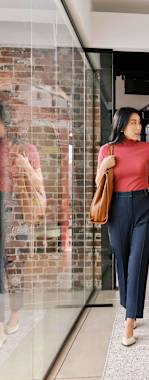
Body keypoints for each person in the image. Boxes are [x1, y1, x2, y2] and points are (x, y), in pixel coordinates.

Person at [96, 107, 149, 347]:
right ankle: (129, 304)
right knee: (122, 261)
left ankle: (129, 320)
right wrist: (104, 167)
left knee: (138, 263)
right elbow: (98, 182)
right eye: (133, 122)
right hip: (117, 209)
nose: (138, 127)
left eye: (139, 122)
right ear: (121, 124)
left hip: (143, 207)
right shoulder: (107, 150)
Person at [0, 102, 44, 347]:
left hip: (18, 209)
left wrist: (26, 166)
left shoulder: (27, 149)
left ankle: (15, 313)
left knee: (14, 266)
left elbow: (39, 183)